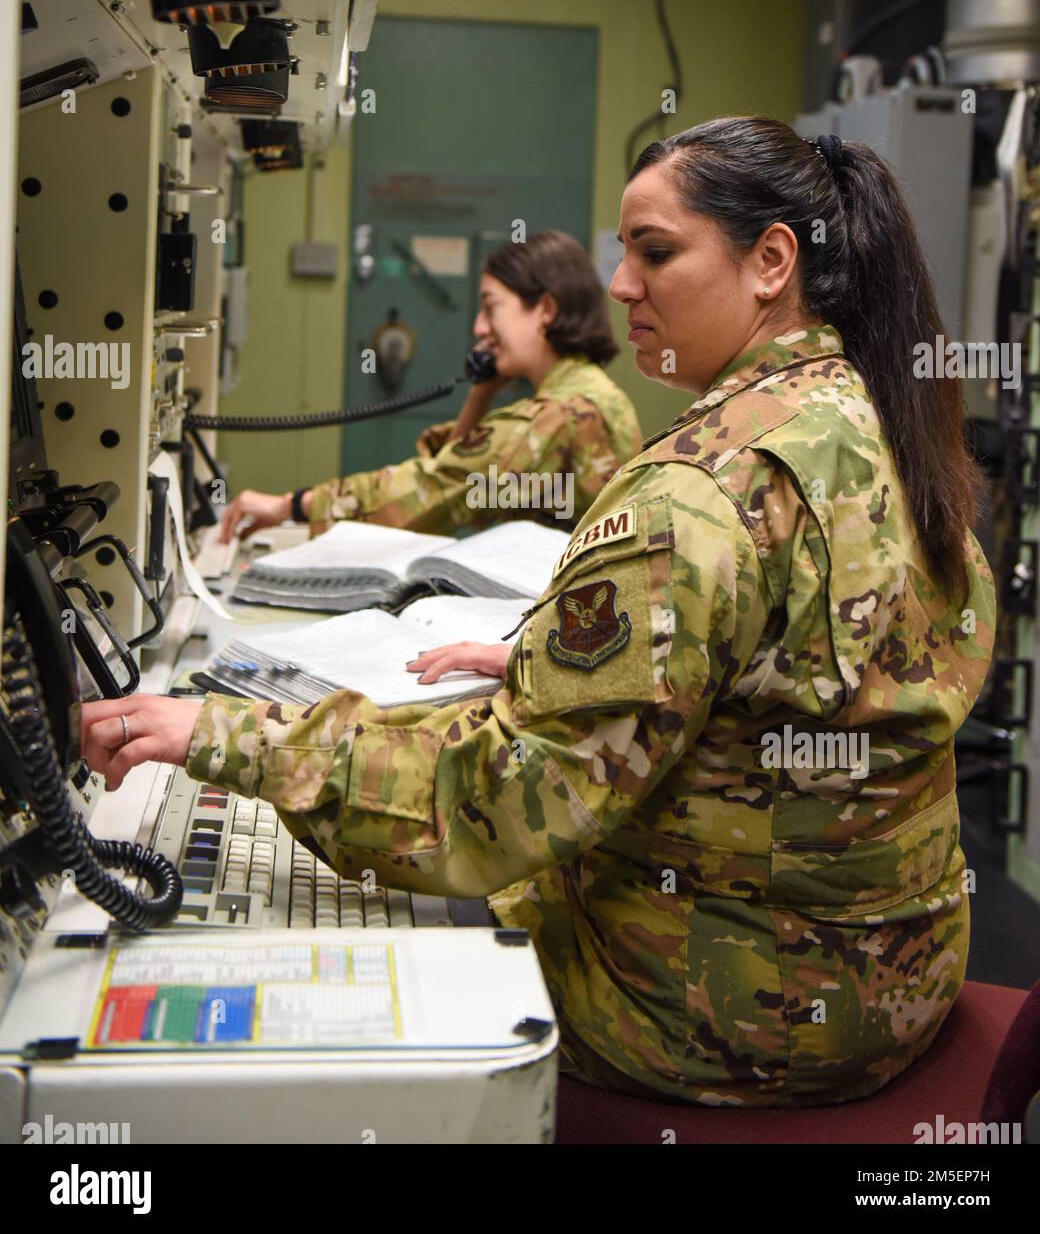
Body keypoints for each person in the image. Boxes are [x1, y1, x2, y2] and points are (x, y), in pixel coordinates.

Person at [84, 117, 995, 1108]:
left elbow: (500, 806)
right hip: (889, 974)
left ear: (771, 261)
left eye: (654, 251)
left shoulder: (695, 493)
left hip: (732, 1013)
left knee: (358, 948)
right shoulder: (873, 425)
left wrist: (232, 739)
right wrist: (545, 662)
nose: (617, 286)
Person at [218, 230, 641, 540]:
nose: (479, 328)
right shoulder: (596, 394)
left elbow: (431, 495)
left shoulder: (558, 414)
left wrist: (289, 505)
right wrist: (482, 391)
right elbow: (457, 474)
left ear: (545, 309)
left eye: (491, 308)